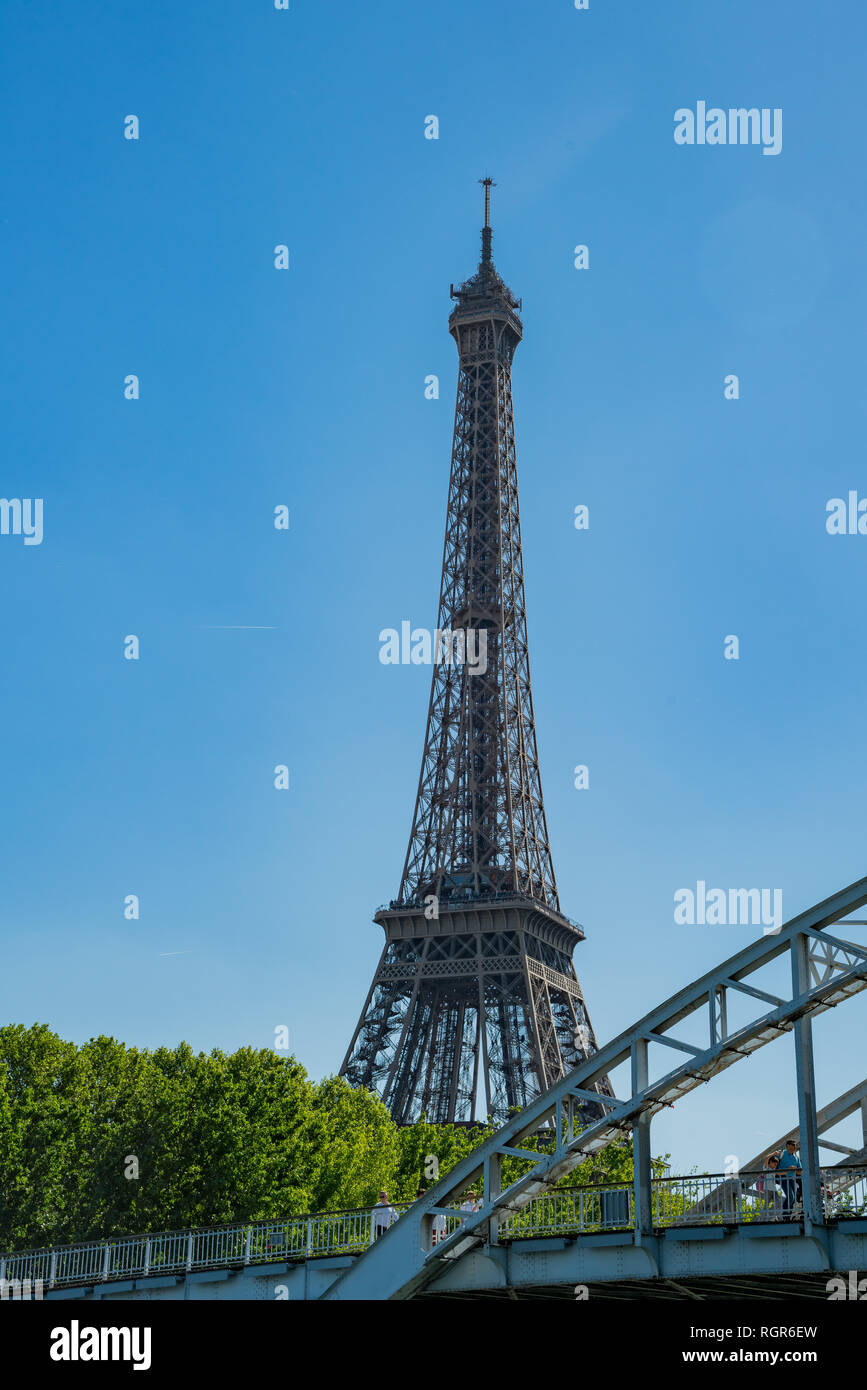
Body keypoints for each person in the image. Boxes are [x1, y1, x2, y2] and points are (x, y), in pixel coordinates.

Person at [778, 1139, 802, 1217]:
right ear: (788, 1146)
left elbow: (800, 1171)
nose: (795, 1147)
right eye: (793, 1145)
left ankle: (788, 1216)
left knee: (794, 1199)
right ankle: (785, 1215)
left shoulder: (796, 1156)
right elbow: (772, 1163)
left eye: (795, 1145)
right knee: (791, 1197)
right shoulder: (781, 1153)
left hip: (792, 1179)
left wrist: (794, 1169)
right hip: (783, 1177)